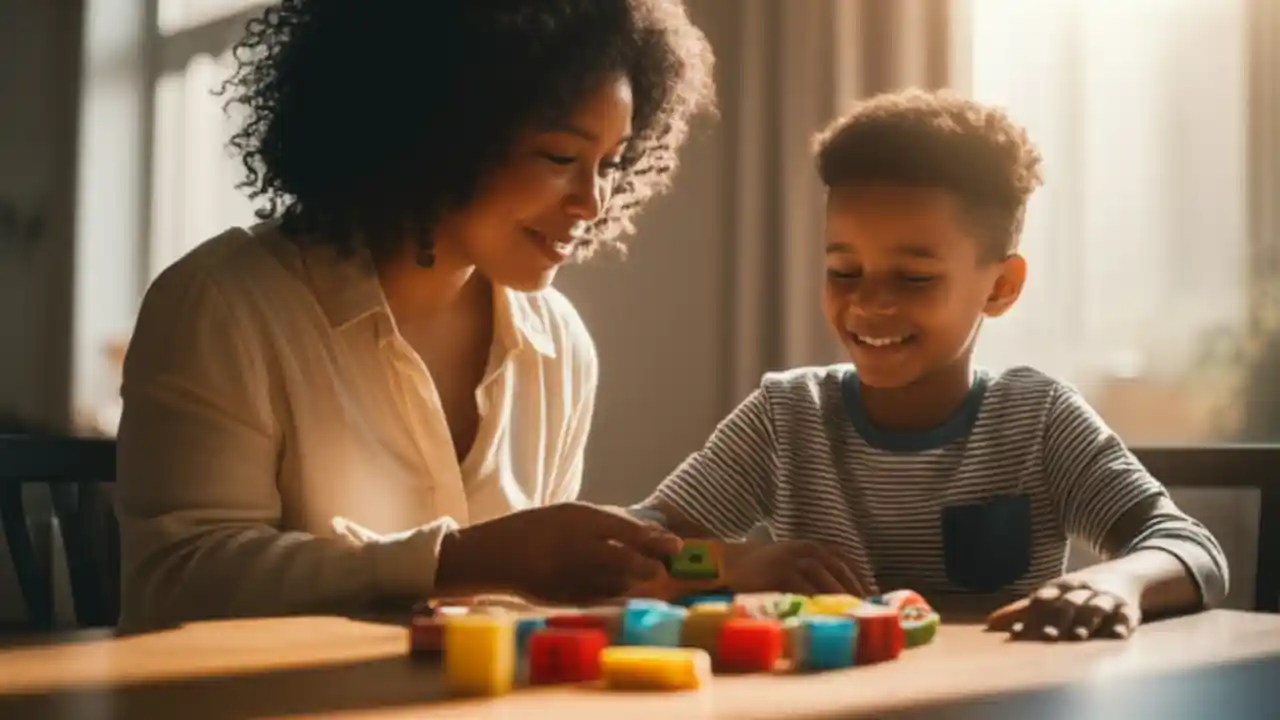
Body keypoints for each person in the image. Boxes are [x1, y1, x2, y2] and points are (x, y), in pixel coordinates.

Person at [116, 0, 715, 632]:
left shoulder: (560, 344)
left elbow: (532, 614)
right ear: (441, 131)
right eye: (561, 158)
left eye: (611, 163)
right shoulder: (223, 305)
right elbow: (175, 585)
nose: (593, 202)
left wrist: (714, 569)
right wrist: (462, 560)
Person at [633, 90, 1228, 641]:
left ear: (1000, 286)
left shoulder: (1038, 420)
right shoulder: (787, 419)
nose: (868, 304)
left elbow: (1188, 546)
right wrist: (734, 561)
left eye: (915, 278)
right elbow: (643, 546)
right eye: (844, 271)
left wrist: (1115, 581)